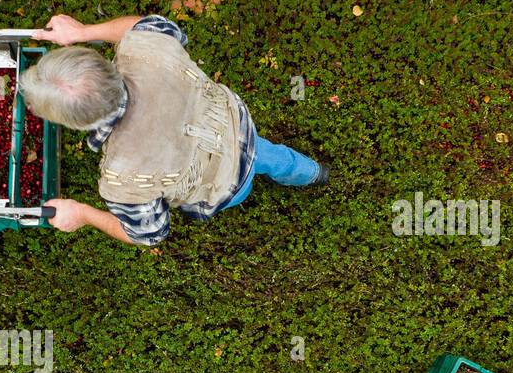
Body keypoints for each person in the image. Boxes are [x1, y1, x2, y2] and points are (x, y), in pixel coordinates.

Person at [21, 14, 328, 244]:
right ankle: (313, 173)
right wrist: (83, 32)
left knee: (240, 179)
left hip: (223, 187)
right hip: (240, 131)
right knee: (273, 156)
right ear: (97, 61)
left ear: (75, 124)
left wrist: (82, 214)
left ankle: (293, 176)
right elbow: (151, 25)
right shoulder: (147, 48)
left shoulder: (121, 178)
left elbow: (148, 234)